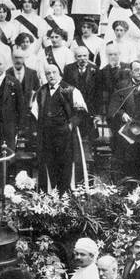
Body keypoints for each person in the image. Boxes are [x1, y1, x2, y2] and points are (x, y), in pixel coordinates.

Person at [33, 61, 90, 191]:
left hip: (66, 134)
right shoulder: (41, 91)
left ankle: (66, 192)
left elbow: (81, 111)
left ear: (60, 74)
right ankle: (50, 192)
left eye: (54, 73)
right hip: (47, 134)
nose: (51, 76)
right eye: (48, 73)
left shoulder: (69, 89)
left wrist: (70, 126)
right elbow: (35, 113)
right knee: (49, 163)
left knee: (66, 163)